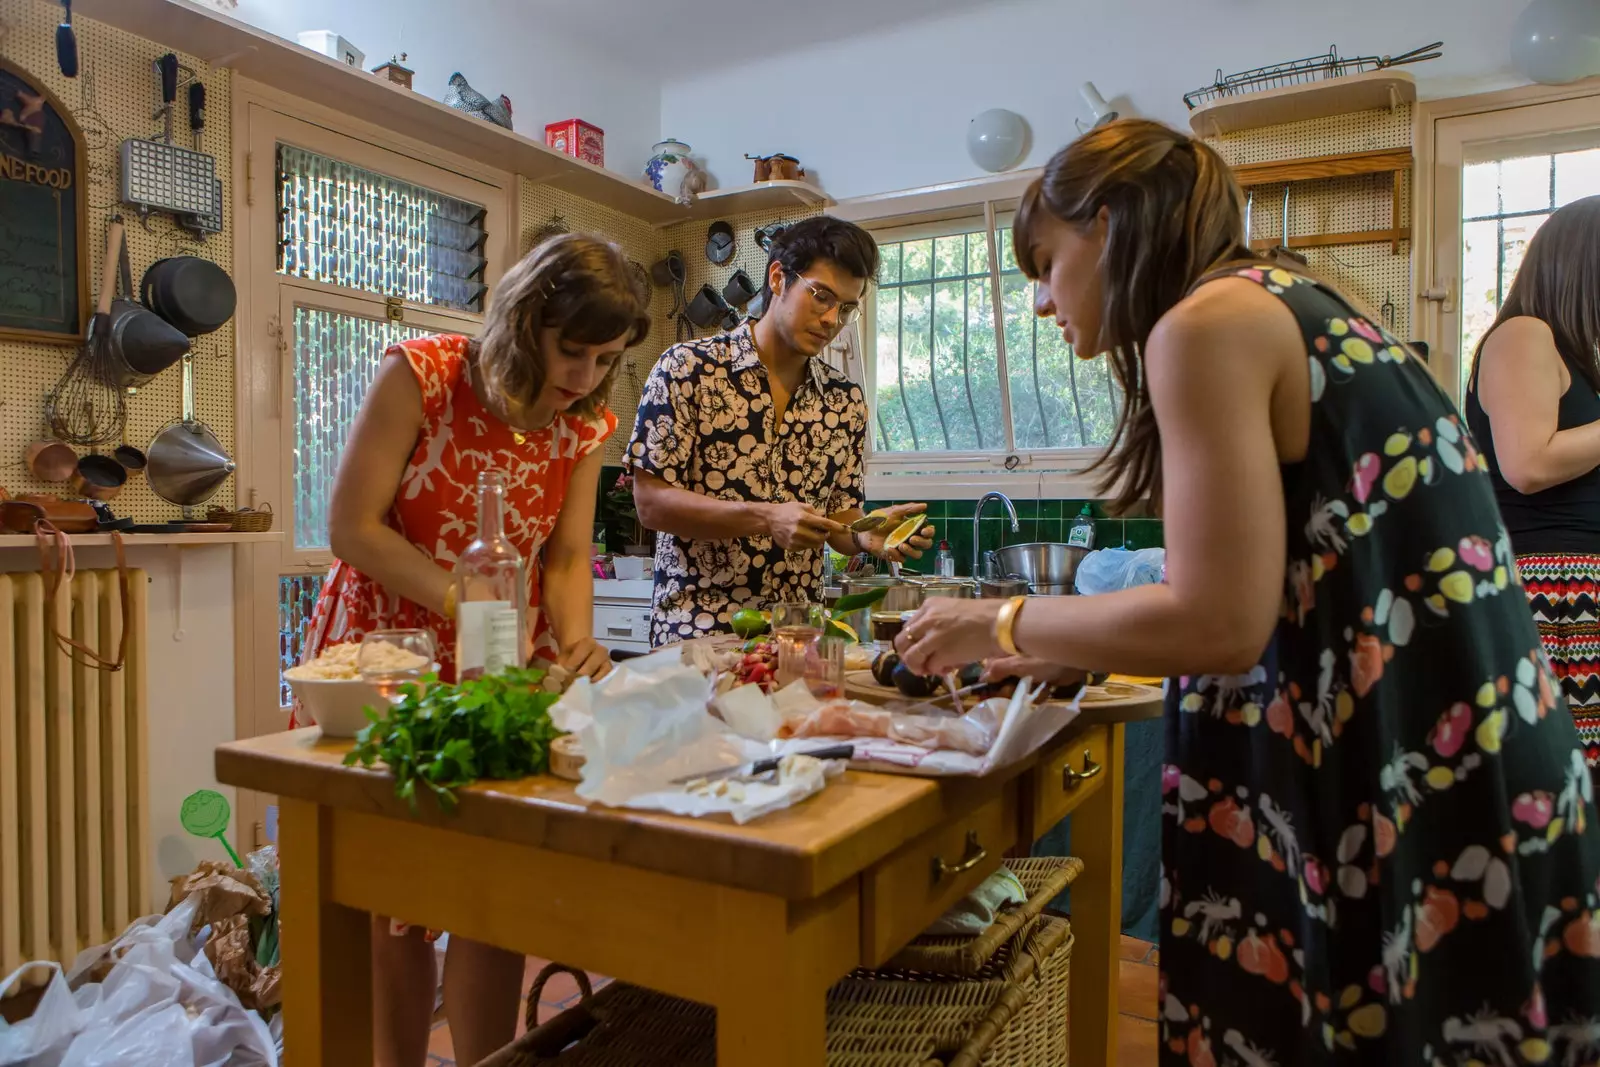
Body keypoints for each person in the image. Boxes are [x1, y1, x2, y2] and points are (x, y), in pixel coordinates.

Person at [894, 120, 1600, 1064]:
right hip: (1450, 757)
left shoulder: (1205, 324)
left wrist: (997, 618)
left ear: (1106, 225)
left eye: (1044, 262)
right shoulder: (1293, 300)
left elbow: (1217, 620)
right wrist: (1070, 646)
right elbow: (1272, 587)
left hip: (1387, 773)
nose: (1038, 302)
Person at [299, 232, 650, 1067]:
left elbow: (564, 557)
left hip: (500, 664)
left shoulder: (583, 425)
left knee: (491, 894)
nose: (586, 376)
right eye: (573, 351)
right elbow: (351, 526)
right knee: (396, 899)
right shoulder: (424, 375)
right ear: (526, 321)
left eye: (605, 359)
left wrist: (573, 644)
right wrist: (463, 598)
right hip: (385, 659)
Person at [627, 215, 931, 645]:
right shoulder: (686, 369)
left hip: (799, 633)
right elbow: (651, 504)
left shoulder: (844, 401)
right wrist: (766, 518)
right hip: (697, 628)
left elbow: (840, 519)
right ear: (777, 278)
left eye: (846, 307)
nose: (832, 319)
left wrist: (865, 535)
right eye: (821, 296)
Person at [1465, 196, 1600, 765]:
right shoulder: (1524, 335)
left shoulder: (1569, 351)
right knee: (1558, 780)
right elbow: (1528, 464)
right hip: (1551, 590)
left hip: (1575, 585)